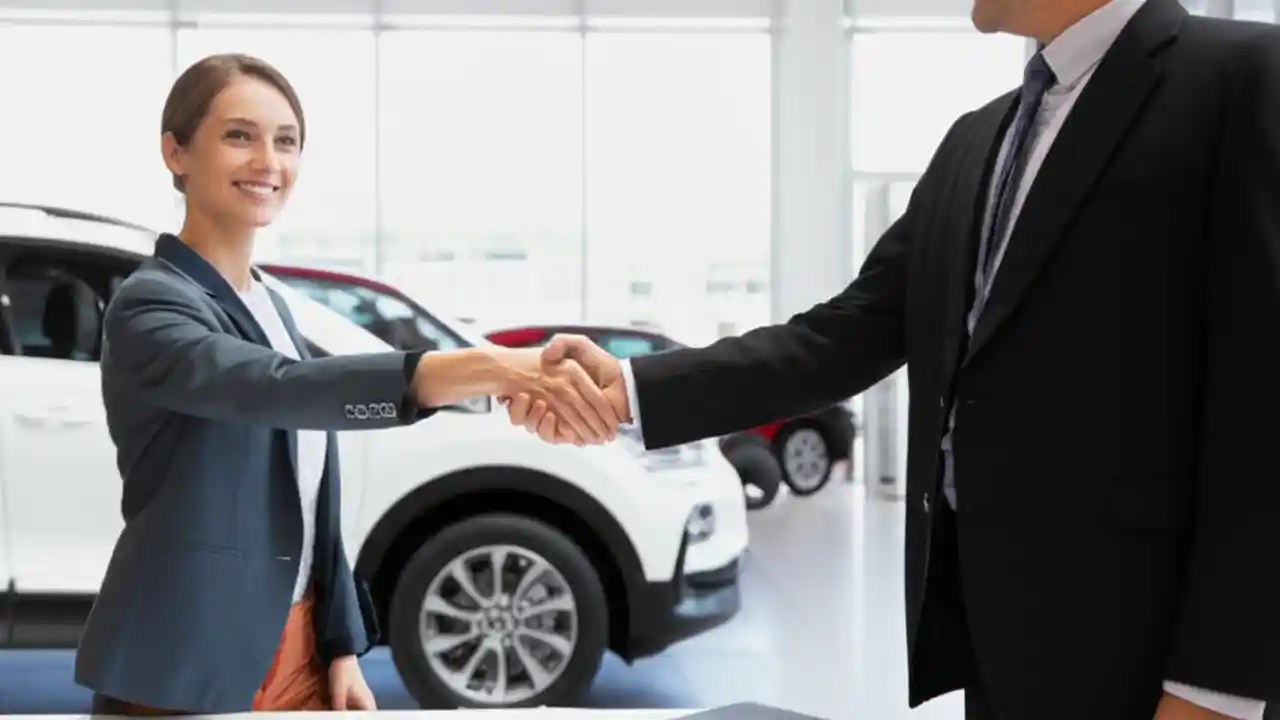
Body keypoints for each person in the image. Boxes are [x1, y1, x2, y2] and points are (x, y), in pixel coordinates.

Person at [503, 0, 1280, 718]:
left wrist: (1217, 691)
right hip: (998, 639)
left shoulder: (1244, 78)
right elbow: (844, 335)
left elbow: (1265, 410)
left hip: (1151, 654)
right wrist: (629, 387)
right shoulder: (978, 138)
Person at [73, 53, 621, 715]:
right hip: (188, 659)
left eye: (287, 142)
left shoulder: (271, 307)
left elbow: (309, 508)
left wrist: (337, 645)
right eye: (239, 136)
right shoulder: (151, 304)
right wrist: (498, 366)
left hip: (297, 654)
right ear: (176, 151)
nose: (267, 162)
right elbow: (278, 389)